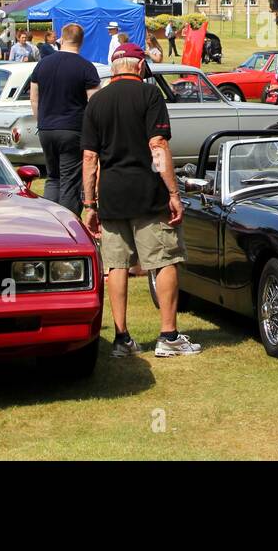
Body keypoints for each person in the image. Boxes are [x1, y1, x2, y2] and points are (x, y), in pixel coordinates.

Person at [81, 43, 199, 358]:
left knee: (116, 265)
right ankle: (168, 335)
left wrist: (89, 204)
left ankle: (121, 338)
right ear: (138, 66)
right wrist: (173, 192)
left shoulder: (96, 102)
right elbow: (157, 144)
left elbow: (90, 157)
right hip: (148, 190)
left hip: (111, 194)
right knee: (164, 260)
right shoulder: (150, 96)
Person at [30, 23, 101, 214]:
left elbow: (34, 96)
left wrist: (41, 121)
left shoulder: (43, 63)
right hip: (72, 128)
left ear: (62, 38)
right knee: (70, 180)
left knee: (53, 177)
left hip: (46, 128)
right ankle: (69, 227)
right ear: (82, 41)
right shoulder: (86, 67)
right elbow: (94, 103)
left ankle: (49, 222)